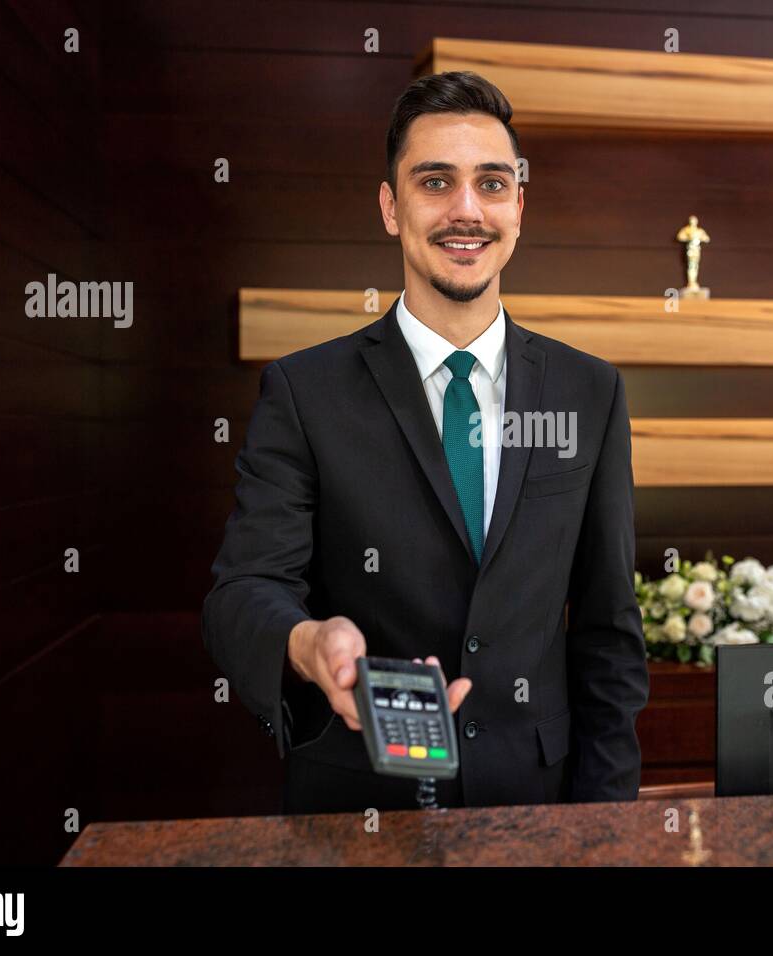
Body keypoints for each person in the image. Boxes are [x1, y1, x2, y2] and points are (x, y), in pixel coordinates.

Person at [202, 70, 649, 814]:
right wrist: (308, 643)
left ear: (518, 207)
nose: (466, 211)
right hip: (360, 809)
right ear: (391, 207)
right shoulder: (304, 392)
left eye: (492, 184)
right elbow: (242, 592)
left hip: (537, 808)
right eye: (436, 182)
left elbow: (608, 634)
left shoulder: (590, 392)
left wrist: (606, 827)